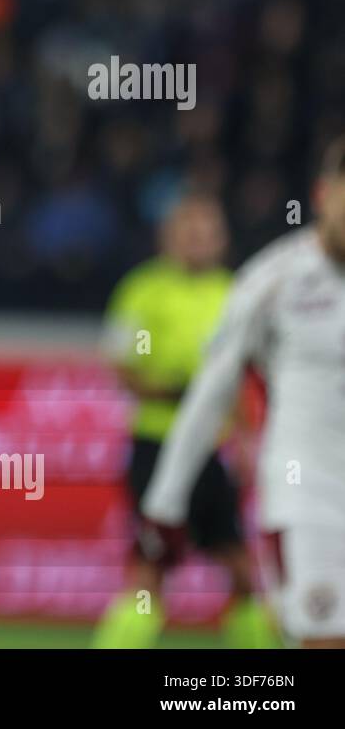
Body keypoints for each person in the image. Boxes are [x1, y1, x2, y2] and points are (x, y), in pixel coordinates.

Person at [140, 137, 345, 648]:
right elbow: (211, 394)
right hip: (309, 497)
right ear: (323, 195)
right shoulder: (271, 282)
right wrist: (166, 503)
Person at [92, 193, 277, 648]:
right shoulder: (143, 288)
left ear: (221, 239)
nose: (197, 240)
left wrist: (245, 439)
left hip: (210, 453)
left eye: (206, 230)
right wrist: (187, 391)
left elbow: (239, 378)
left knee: (240, 570)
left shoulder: (235, 291)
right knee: (149, 570)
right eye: (188, 230)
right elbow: (124, 368)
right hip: (157, 445)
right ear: (168, 236)